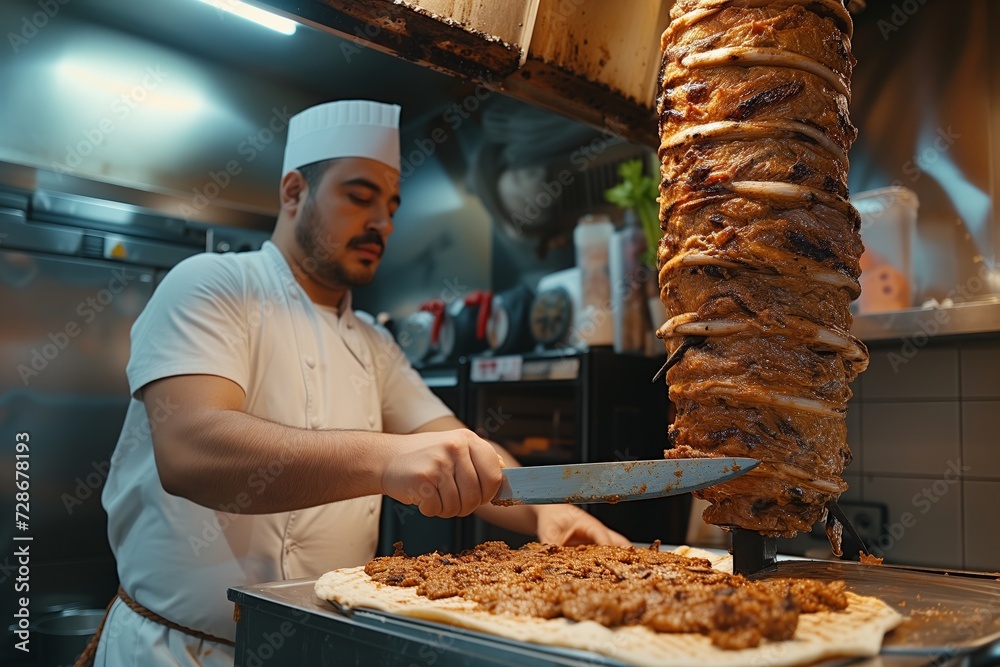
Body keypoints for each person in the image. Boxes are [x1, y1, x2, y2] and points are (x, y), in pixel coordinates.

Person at [88, 99, 630, 666]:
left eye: (391, 205)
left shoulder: (373, 343)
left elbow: (460, 444)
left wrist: (544, 508)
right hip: (179, 652)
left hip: (315, 652)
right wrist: (388, 459)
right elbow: (191, 449)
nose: (383, 223)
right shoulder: (212, 285)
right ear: (294, 192)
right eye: (359, 196)